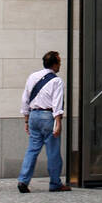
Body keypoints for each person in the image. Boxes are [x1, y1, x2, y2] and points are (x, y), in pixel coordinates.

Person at [17, 50, 71, 193]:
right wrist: (58, 123)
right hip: (48, 116)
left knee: (32, 150)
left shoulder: (33, 76)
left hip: (34, 115)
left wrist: (26, 120)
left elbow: (25, 98)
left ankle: (23, 180)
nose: (60, 65)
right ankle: (55, 183)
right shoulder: (57, 81)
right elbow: (57, 103)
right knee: (53, 152)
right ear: (54, 64)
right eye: (59, 62)